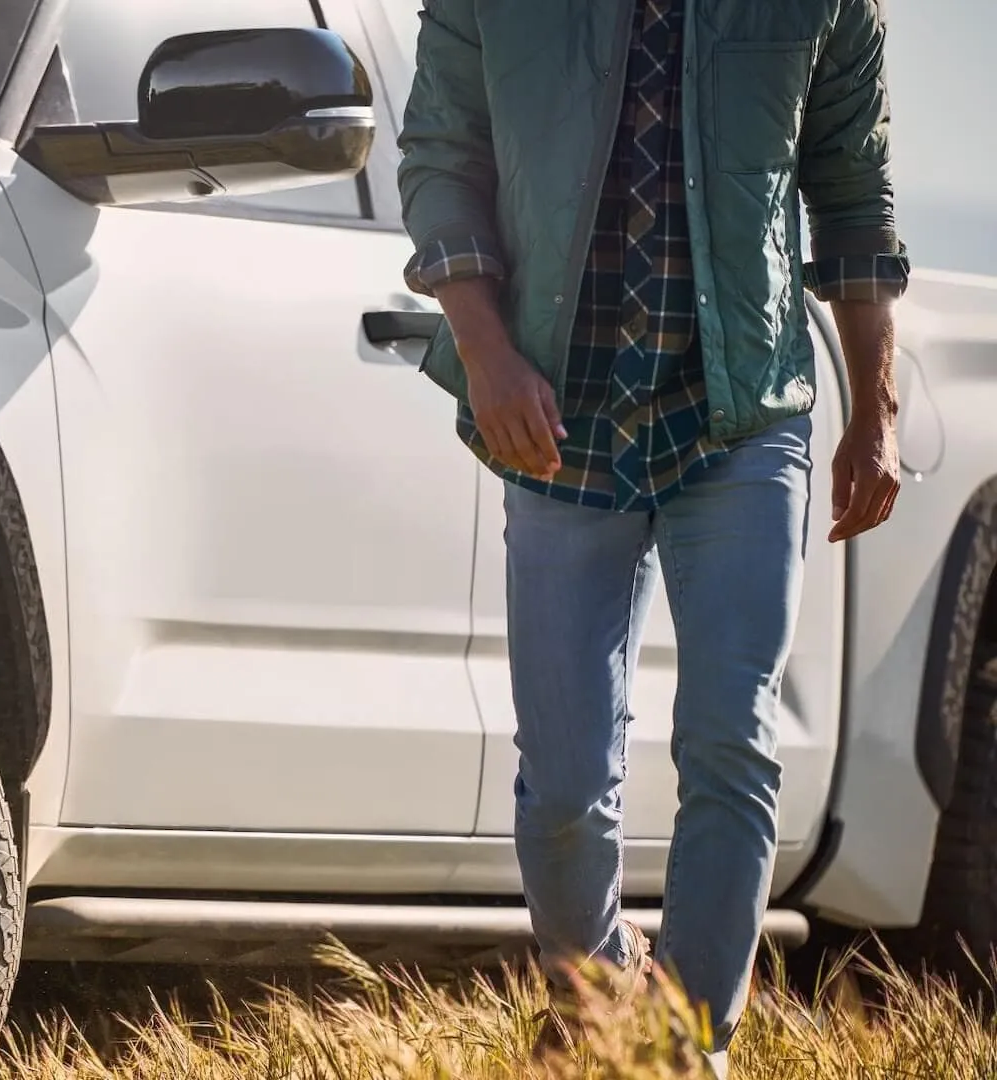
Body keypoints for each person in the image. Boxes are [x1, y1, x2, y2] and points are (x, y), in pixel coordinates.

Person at [396, 0, 906, 1075]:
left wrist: (876, 413)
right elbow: (444, 159)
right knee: (569, 780)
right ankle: (592, 1001)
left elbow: (854, 194)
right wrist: (485, 355)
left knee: (734, 743)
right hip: (556, 417)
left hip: (744, 419)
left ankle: (683, 1049)